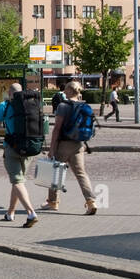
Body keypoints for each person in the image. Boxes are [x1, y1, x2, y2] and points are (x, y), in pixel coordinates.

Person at [0, 83, 38, 228]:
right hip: (29, 148)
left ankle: (31, 212)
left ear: (9, 92)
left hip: (12, 148)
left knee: (17, 181)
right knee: (18, 181)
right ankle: (11, 212)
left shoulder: (4, 106)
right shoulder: (31, 104)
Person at [41, 80, 97, 215]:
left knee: (55, 172)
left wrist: (52, 148)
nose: (64, 92)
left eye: (66, 90)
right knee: (81, 173)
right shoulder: (84, 106)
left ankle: (52, 202)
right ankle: (91, 201)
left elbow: (57, 129)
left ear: (69, 91)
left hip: (64, 144)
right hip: (79, 144)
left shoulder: (62, 106)